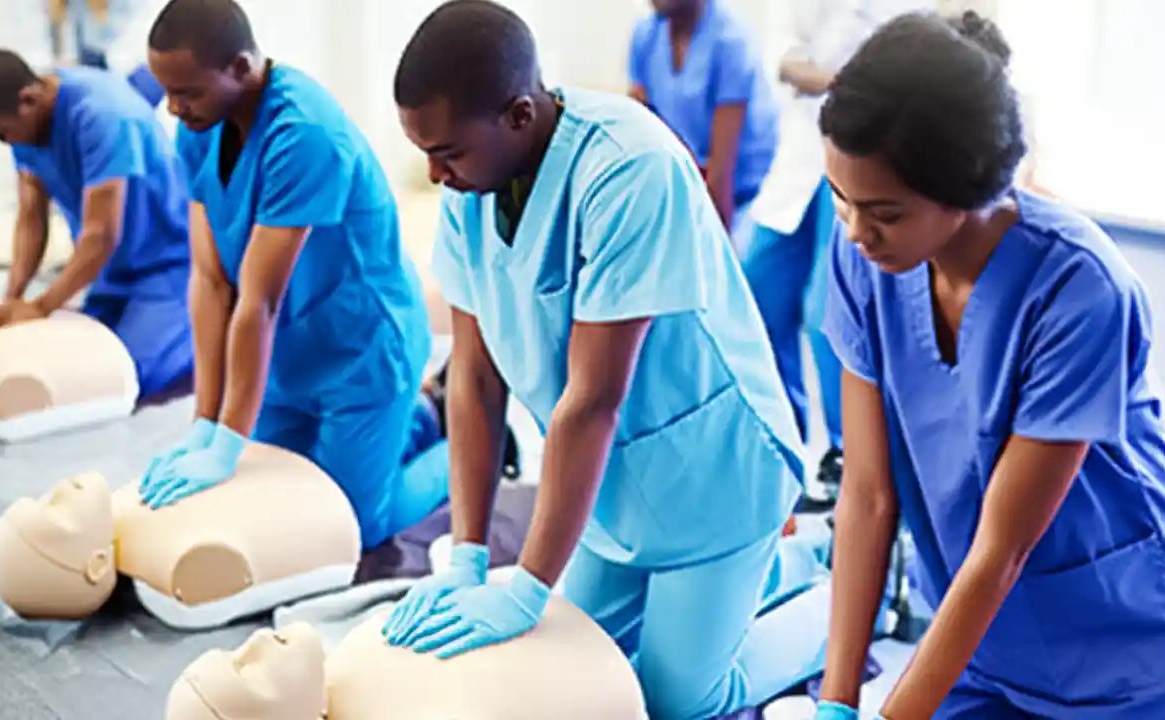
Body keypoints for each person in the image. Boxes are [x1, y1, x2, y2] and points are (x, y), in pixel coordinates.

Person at [378, 3, 812, 718]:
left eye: (447, 153)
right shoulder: (470, 185)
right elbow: (475, 380)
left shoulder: (630, 170)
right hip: (609, 493)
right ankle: (761, 575)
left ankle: (820, 585)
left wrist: (527, 588)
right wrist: (467, 557)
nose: (434, 173)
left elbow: (593, 399)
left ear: (519, 115)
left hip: (715, 477)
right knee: (570, 670)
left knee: (677, 699)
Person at [814, 11, 1165, 720]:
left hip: (1129, 653)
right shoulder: (862, 259)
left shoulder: (1079, 289)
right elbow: (866, 495)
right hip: (981, 646)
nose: (857, 232)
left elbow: (1002, 549)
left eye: (885, 213)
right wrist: (835, 704)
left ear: (962, 190)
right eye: (841, 201)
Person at [137, 0, 451, 551]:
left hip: (363, 351)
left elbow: (258, 300)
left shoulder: (305, 132)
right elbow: (211, 281)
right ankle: (410, 422)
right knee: (270, 501)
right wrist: (205, 423)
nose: (173, 108)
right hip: (288, 352)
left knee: (349, 526)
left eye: (186, 93)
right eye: (168, 92)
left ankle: (466, 440)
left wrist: (228, 439)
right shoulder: (200, 126)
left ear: (240, 67)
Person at [745, 0, 934, 510]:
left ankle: (846, 457)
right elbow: (784, 61)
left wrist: (828, 78)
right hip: (797, 166)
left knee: (826, 314)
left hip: (859, 166)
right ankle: (778, 447)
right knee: (758, 300)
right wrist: (847, 81)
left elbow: (904, 73)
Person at [0, 49, 193, 400]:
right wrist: (13, 298)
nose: (4, 142)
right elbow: (31, 217)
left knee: (124, 377)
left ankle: (213, 331)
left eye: (2, 133)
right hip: (111, 274)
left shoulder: (102, 114)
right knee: (75, 362)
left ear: (29, 99)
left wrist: (40, 306)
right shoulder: (28, 125)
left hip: (172, 267)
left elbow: (101, 234)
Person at [627, 0, 778, 236]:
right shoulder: (646, 35)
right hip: (686, 187)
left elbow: (721, 173)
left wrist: (713, 243)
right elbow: (639, 139)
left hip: (743, 196)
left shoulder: (730, 42)